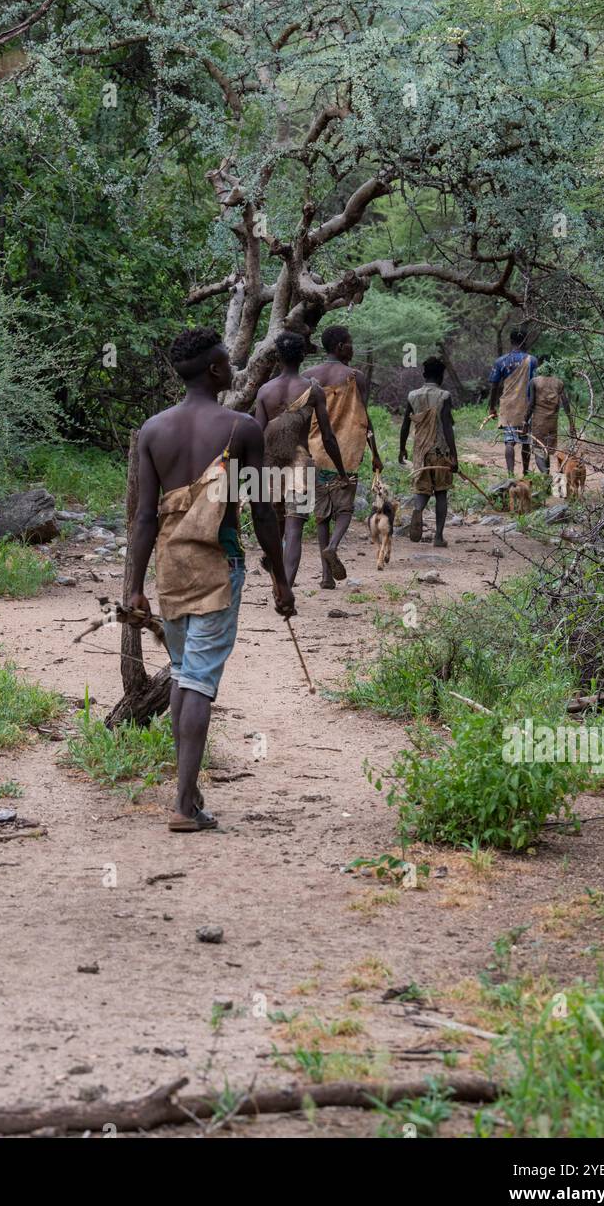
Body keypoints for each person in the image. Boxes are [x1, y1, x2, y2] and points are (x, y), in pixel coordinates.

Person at [127, 327, 294, 833]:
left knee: (182, 673)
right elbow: (264, 510)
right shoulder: (241, 429)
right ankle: (183, 805)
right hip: (219, 565)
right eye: (227, 362)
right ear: (216, 370)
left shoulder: (152, 431)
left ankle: (189, 791)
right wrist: (281, 578)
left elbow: (143, 519)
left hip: (170, 567)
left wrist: (134, 586)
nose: (232, 369)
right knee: (198, 681)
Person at [254, 331, 347, 586]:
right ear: (303, 355)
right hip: (299, 464)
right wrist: (341, 470)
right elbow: (327, 437)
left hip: (269, 465)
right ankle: (284, 588)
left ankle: (275, 572)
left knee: (275, 524)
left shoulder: (265, 391)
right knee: (294, 528)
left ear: (278, 357)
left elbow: (256, 434)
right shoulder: (313, 390)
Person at [302, 325, 383, 588]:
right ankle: (334, 546)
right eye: (350, 343)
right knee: (344, 509)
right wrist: (375, 454)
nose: (353, 347)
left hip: (314, 450)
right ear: (339, 347)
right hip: (346, 452)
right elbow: (364, 418)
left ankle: (326, 577)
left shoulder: (307, 376)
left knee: (321, 513)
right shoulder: (355, 377)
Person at [399, 356, 459, 547]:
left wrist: (401, 448)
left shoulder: (412, 396)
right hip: (440, 452)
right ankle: (439, 537)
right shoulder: (444, 396)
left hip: (420, 452)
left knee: (422, 490)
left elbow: (405, 424)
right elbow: (448, 427)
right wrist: (454, 455)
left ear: (424, 374)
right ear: (441, 375)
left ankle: (418, 509)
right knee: (441, 493)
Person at [487, 327, 538, 476]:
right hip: (526, 406)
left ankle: (510, 475)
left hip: (508, 406)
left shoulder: (500, 361)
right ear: (525, 341)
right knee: (526, 441)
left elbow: (494, 386)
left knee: (509, 441)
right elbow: (536, 383)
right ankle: (526, 472)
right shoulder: (532, 360)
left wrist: (491, 407)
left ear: (511, 341)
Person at [529, 358, 575, 472]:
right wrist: (571, 423)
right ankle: (547, 475)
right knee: (547, 450)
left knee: (539, 450)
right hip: (552, 423)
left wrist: (525, 422)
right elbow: (565, 403)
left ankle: (545, 474)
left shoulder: (534, 381)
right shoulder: (559, 383)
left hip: (539, 423)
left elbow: (531, 404)